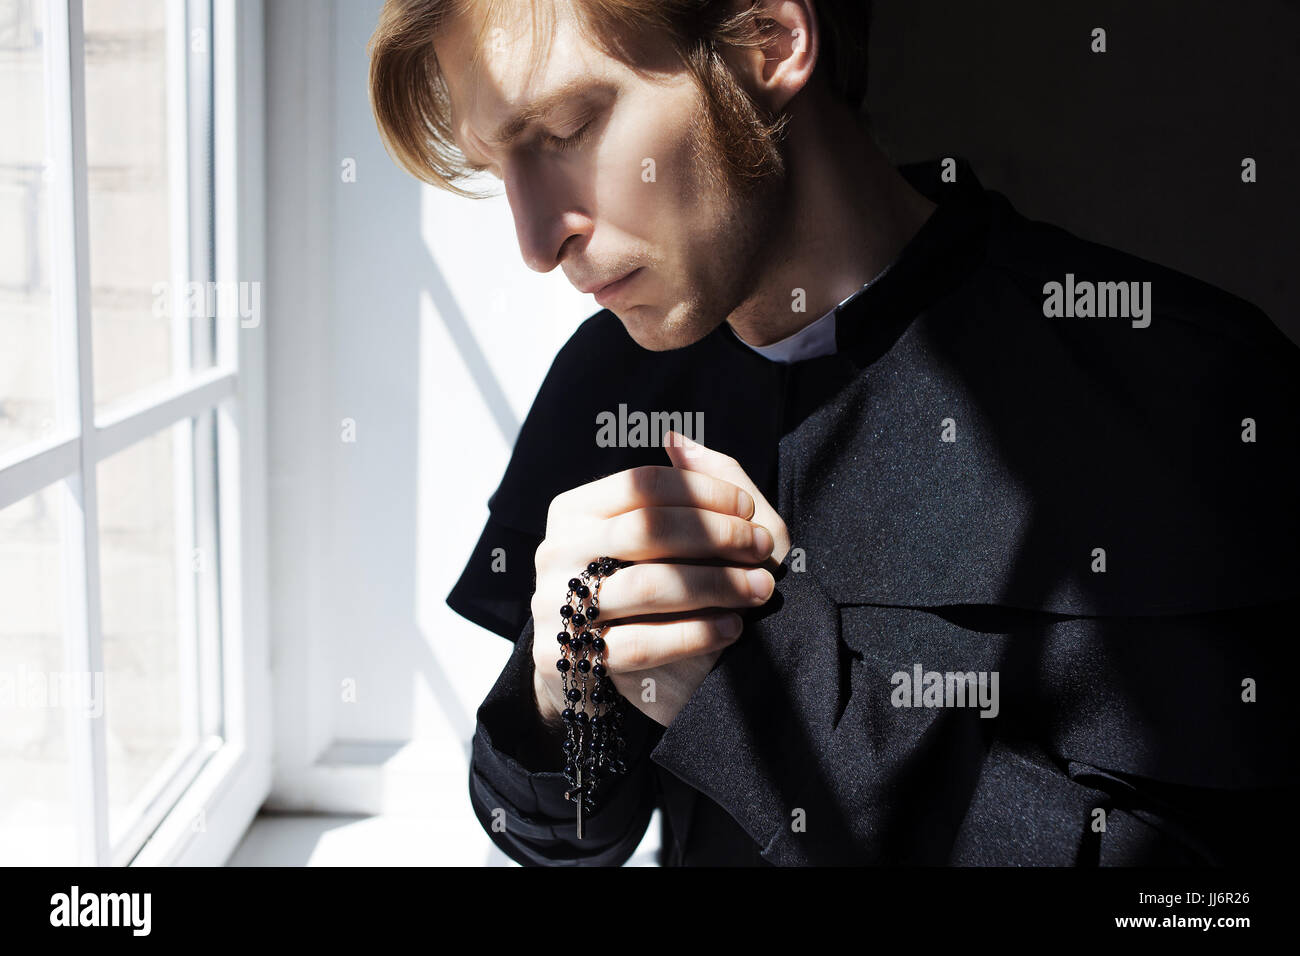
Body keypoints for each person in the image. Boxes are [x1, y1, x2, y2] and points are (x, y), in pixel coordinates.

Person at [368, 0, 1300, 865]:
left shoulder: (1186, 380)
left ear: (770, 41)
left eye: (567, 128)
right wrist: (561, 693)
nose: (536, 244)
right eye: (498, 168)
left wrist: (764, 699)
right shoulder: (609, 378)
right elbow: (561, 835)